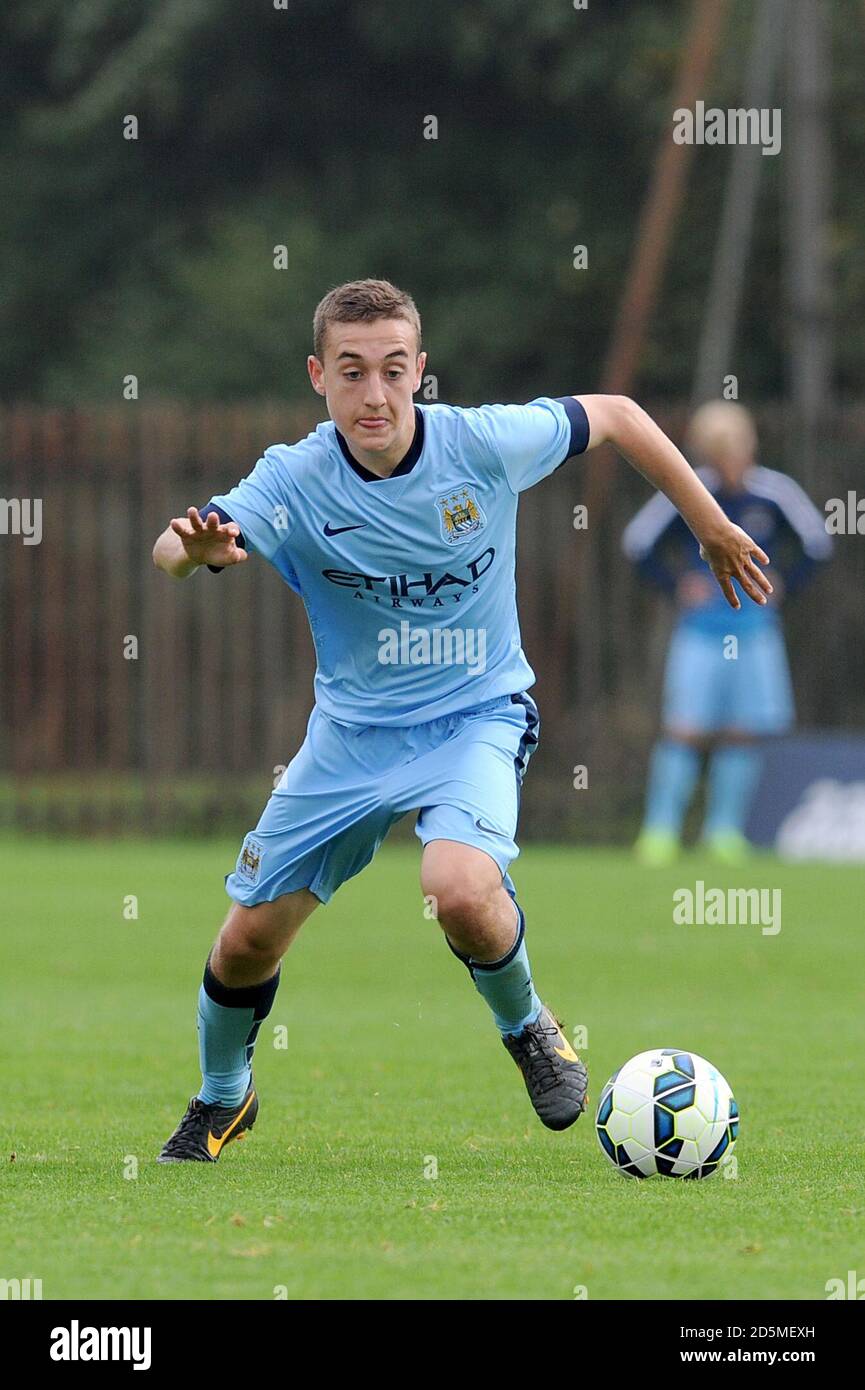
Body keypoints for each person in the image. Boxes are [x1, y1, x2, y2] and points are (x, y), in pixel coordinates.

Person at [152, 280, 771, 1161]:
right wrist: (195, 552)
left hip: (475, 717)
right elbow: (173, 544)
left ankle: (527, 1031)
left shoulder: (481, 443)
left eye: (394, 371)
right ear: (318, 377)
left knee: (460, 890)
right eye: (353, 372)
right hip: (350, 738)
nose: (375, 395)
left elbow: (623, 416)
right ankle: (224, 1098)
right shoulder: (292, 479)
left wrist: (708, 525)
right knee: (247, 940)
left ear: (420, 373)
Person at [623, 399, 832, 866]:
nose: (729, 462)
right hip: (700, 632)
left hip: (755, 630)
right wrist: (678, 585)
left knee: (742, 732)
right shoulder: (688, 491)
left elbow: (818, 543)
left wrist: (783, 586)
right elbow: (637, 543)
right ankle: (660, 832)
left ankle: (724, 832)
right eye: (718, 453)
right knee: (685, 729)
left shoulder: (773, 493)